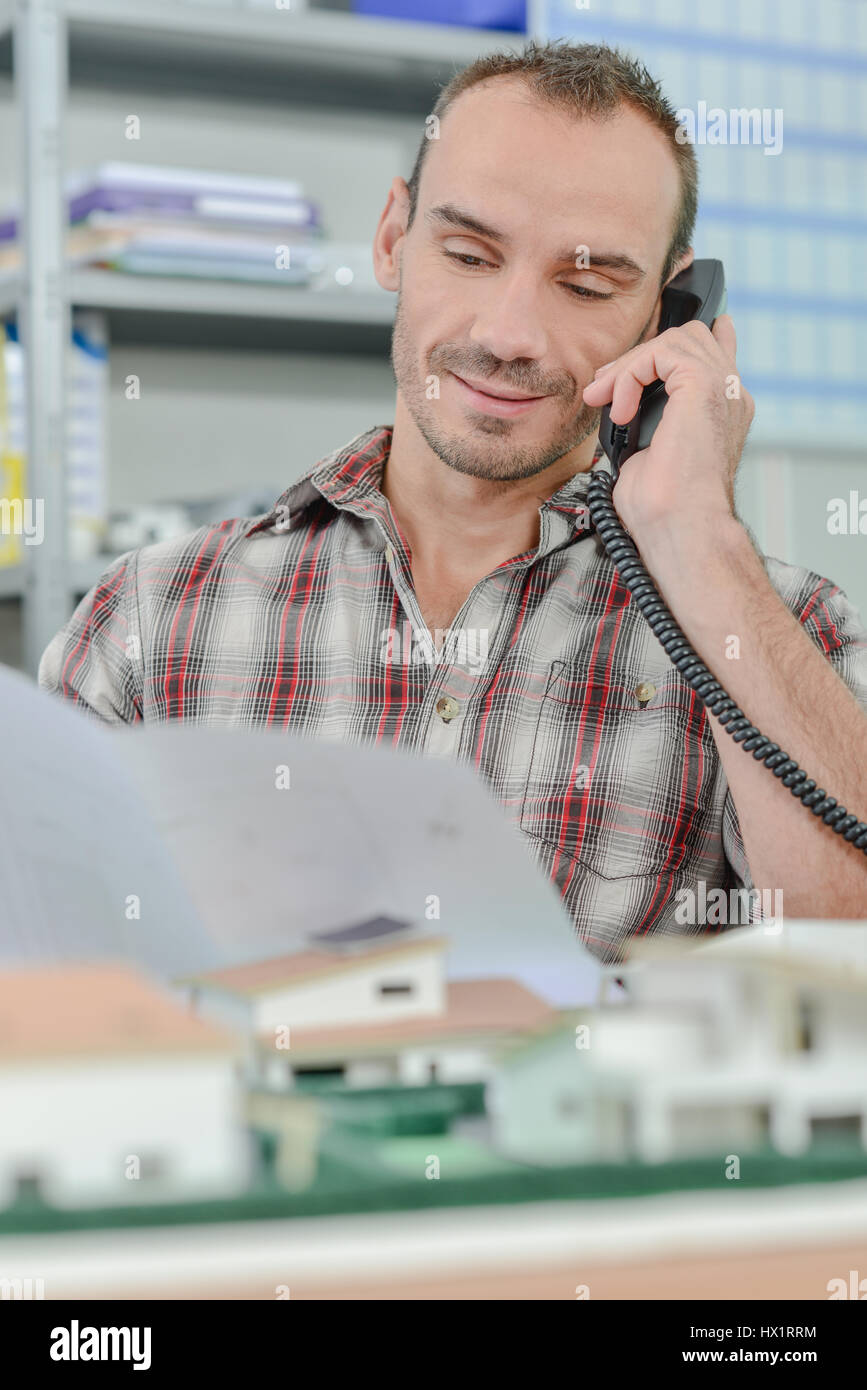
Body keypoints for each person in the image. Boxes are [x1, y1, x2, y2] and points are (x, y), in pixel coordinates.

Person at [38, 42, 867, 963]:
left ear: (673, 312)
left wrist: (699, 536)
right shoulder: (151, 614)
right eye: (469, 254)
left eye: (585, 285)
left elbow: (850, 965)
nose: (508, 335)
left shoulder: (787, 636)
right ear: (392, 239)